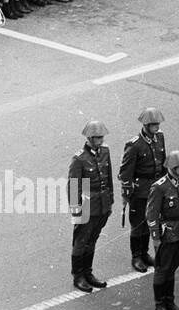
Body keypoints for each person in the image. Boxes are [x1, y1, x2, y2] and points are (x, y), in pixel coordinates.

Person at [68, 119, 115, 293]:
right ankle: (78, 275)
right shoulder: (79, 158)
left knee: (93, 239)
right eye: (97, 138)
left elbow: (108, 177)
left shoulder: (105, 151)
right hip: (86, 202)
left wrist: (110, 200)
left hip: (102, 203)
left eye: (101, 137)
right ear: (89, 138)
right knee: (81, 241)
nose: (100, 140)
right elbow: (74, 186)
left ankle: (88, 272)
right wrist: (76, 211)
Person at [119, 107, 167, 273]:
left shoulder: (160, 137)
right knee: (138, 224)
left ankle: (145, 253)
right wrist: (126, 194)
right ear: (146, 126)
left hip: (155, 188)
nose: (156, 127)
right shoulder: (134, 145)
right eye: (153, 125)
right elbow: (125, 172)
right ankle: (136, 256)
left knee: (150, 221)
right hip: (140, 190)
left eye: (157, 124)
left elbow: (163, 162)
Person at [147, 151, 179, 310]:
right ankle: (160, 304)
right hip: (168, 233)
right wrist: (156, 237)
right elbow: (151, 215)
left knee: (172, 267)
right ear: (172, 168)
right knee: (162, 269)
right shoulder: (159, 187)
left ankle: (170, 301)